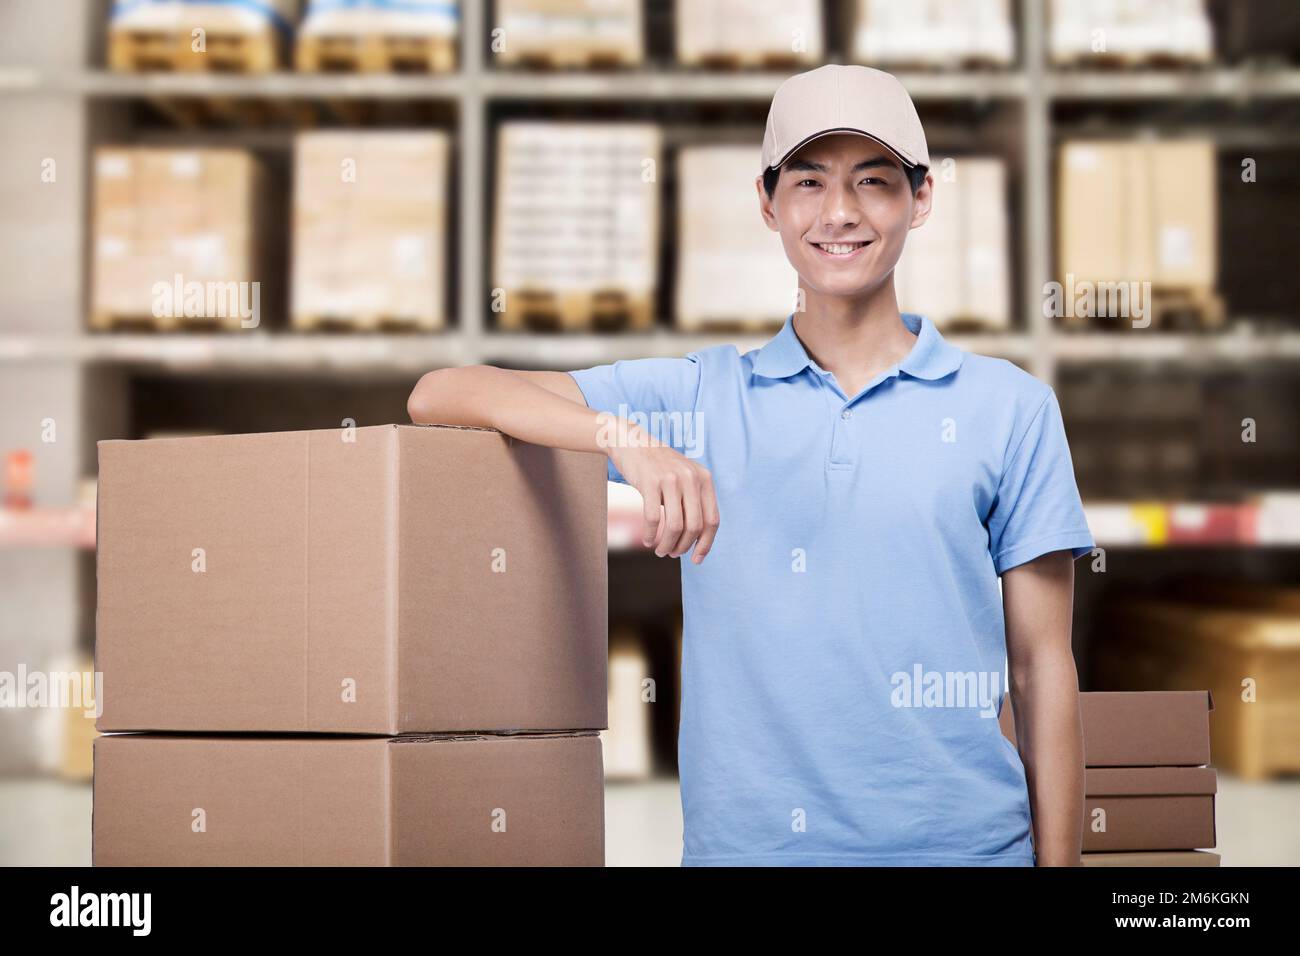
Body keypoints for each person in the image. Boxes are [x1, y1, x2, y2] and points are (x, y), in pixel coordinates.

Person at [407, 64, 1095, 866]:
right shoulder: (700, 396)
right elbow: (443, 392)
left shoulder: (1008, 408)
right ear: (767, 202)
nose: (840, 212)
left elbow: (1042, 667)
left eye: (873, 181)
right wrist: (623, 437)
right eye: (810, 182)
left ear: (922, 198)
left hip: (969, 852)